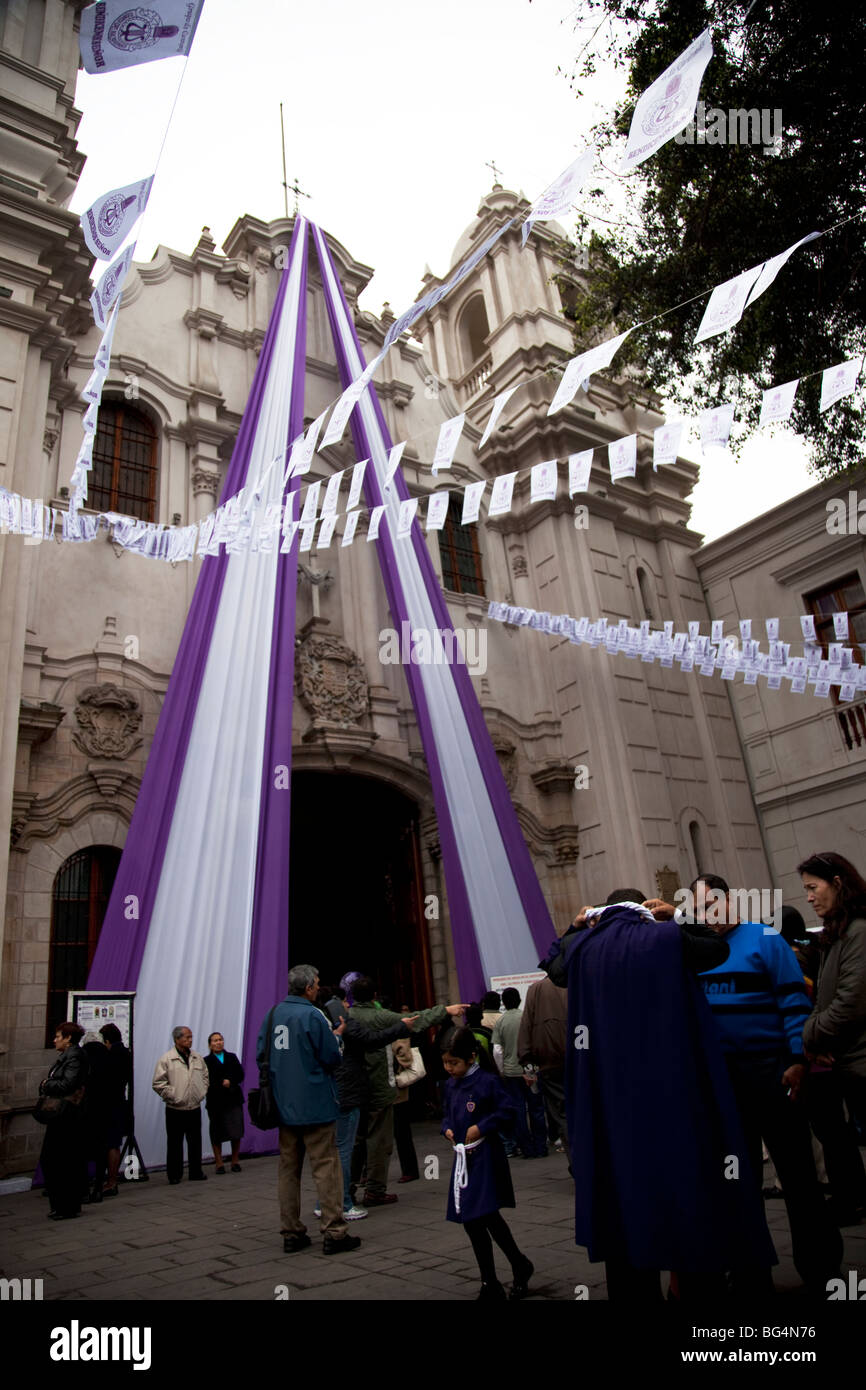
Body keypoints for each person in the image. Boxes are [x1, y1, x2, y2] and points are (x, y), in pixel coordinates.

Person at [550, 892, 777, 1301]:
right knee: (687, 1187)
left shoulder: (583, 947)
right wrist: (681, 916)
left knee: (620, 1193)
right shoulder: (667, 938)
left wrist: (575, 925)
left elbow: (554, 966)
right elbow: (716, 949)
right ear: (647, 909)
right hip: (675, 1092)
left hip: (609, 1100)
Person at [686, 873, 844, 1297]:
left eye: (713, 906)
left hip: (771, 1070)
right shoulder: (698, 952)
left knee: (798, 1175)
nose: (709, 917)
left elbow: (794, 1002)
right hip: (724, 1079)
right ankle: (750, 1273)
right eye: (700, 909)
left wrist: (796, 1059)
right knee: (739, 1180)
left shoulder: (765, 940)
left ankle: (822, 1268)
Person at [257, 963, 360, 1256]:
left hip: (283, 1105)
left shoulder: (273, 1014)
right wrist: (338, 1037)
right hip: (315, 1103)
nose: (317, 986)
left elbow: (260, 1054)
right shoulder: (313, 1015)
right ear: (308, 988)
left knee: (288, 1170)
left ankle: (291, 1231)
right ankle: (334, 1231)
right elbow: (331, 1056)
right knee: (326, 1166)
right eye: (315, 983)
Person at [349, 977, 465, 1207]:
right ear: (374, 996)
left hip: (353, 1089)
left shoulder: (348, 1016)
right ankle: (374, 1190)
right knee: (379, 1141)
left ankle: (347, 1188)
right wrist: (446, 1010)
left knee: (355, 1141)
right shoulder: (379, 1016)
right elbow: (416, 1020)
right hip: (379, 1088)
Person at [442, 1027, 533, 1301]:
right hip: (463, 1161)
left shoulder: (488, 1082)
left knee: (486, 1216)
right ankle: (492, 1279)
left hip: (485, 1158)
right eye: (445, 1063)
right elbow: (447, 1114)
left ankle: (513, 1267)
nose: (449, 1068)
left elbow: (507, 1111)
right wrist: (446, 1128)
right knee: (472, 1221)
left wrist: (482, 1126)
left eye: (454, 1063)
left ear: (471, 1057)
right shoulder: (450, 1084)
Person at [799, 852, 866, 1223]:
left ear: (838, 883)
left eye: (813, 887)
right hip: (848, 1062)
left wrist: (809, 1037)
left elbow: (849, 1003)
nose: (809, 897)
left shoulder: (858, 931)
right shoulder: (836, 934)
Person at [319, 992, 415, 1222]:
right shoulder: (345, 1028)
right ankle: (344, 1201)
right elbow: (372, 1040)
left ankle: (325, 1201)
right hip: (350, 1094)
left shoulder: (324, 1025)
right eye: (343, 1002)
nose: (346, 1006)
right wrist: (401, 1026)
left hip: (336, 1094)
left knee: (341, 1146)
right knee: (347, 1147)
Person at [517, 961, 571, 1169]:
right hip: (579, 1059)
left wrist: (527, 1061)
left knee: (562, 1114)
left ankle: (577, 1162)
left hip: (549, 1062)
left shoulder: (536, 989)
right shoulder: (576, 982)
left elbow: (527, 1025)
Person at [37, 1021, 89, 1220]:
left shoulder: (74, 1056)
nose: (54, 1040)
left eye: (58, 1036)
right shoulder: (68, 1056)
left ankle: (65, 1205)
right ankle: (64, 1204)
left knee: (58, 1159)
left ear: (68, 1038)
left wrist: (46, 1084)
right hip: (64, 1115)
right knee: (60, 1159)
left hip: (66, 1116)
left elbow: (68, 1083)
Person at [492, 988, 547, 1159]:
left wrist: (503, 1070)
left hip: (511, 1073)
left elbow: (497, 1050)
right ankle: (541, 1146)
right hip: (530, 1070)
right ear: (519, 1000)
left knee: (518, 1110)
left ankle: (527, 1148)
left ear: (504, 1003)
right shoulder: (527, 1017)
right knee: (536, 1108)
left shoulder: (501, 1022)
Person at [152, 1026, 209, 1184]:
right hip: (175, 1109)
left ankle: (195, 1171)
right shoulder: (167, 1059)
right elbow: (158, 1083)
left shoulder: (197, 1057)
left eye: (191, 1037)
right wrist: (174, 1096)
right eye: (187, 1037)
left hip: (194, 1107)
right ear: (177, 1039)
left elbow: (205, 1077)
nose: (190, 1040)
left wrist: (201, 1093)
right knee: (175, 1143)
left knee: (195, 1142)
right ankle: (174, 1175)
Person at [98, 1023, 131, 1197]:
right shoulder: (126, 1053)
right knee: (115, 1143)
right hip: (120, 1100)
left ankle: (111, 1181)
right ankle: (112, 1180)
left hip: (110, 1103)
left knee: (111, 1143)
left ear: (107, 1040)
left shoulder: (110, 1055)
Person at [204, 1032, 245, 1174]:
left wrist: (231, 1081)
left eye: (220, 1039)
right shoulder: (206, 1061)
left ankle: (235, 1161)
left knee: (236, 1130)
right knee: (217, 1131)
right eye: (215, 1040)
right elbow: (205, 1079)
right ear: (210, 1044)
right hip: (216, 1101)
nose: (218, 1042)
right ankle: (219, 1163)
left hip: (233, 1099)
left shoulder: (232, 1057)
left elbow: (240, 1074)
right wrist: (220, 1083)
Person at [81, 1031, 111, 1203]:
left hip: (86, 1110)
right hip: (104, 1110)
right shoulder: (108, 1056)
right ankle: (98, 1188)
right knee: (101, 1151)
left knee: (83, 1151)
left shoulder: (83, 1057)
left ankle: (84, 1189)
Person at [392, 1033, 421, 1184]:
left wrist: (394, 1064)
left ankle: (410, 1170)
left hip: (397, 1090)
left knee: (401, 1131)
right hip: (383, 1090)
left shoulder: (397, 1032)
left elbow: (406, 1057)